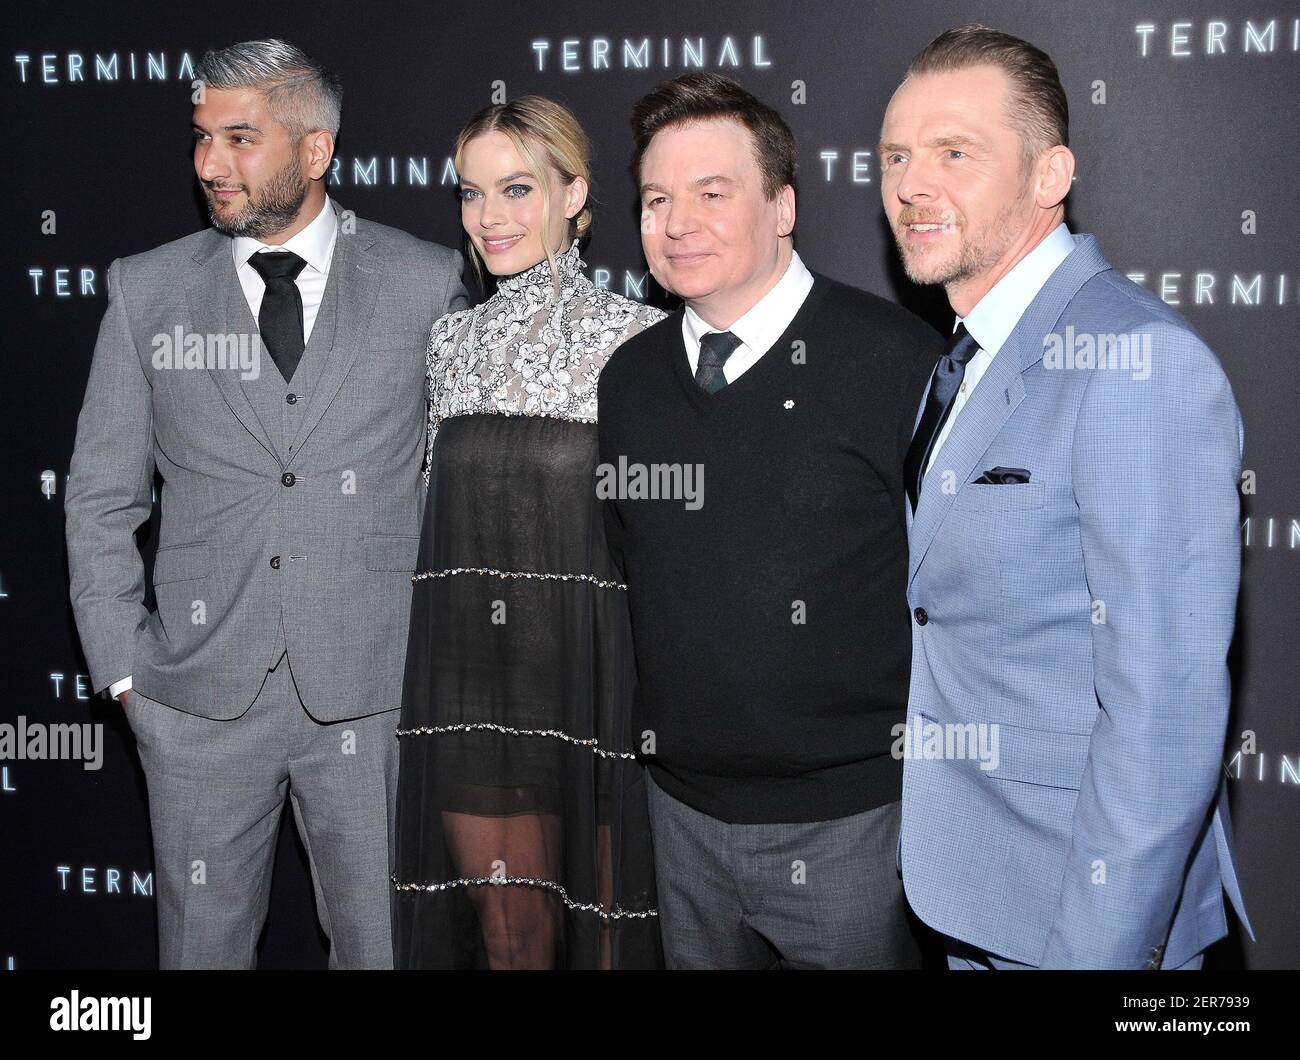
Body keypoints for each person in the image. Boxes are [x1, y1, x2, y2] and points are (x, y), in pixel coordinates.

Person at [63, 39, 468, 969]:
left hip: (372, 701)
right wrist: (124, 669)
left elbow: (453, 490)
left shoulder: (421, 282)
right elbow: (100, 494)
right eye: (202, 138)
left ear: (316, 150)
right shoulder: (147, 291)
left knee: (386, 955)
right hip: (196, 704)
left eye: (241, 138)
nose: (211, 164)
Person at [879, 23, 1253, 969]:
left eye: (953, 153)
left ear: (1050, 177)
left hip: (1082, 921)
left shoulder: (1137, 364)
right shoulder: (966, 354)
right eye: (895, 156)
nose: (910, 184)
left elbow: (1163, 722)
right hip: (969, 887)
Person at [597, 72, 943, 969]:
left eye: (712, 193)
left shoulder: (897, 361)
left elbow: (954, 594)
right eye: (656, 199)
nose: (675, 224)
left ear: (782, 205)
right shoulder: (627, 380)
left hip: (854, 825)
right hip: (678, 819)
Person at [392, 96, 665, 969]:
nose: (490, 218)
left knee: (609, 938)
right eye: (472, 194)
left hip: (598, 684)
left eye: (516, 189)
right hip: (473, 688)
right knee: (511, 941)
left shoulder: (643, 341)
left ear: (575, 191)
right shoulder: (449, 345)